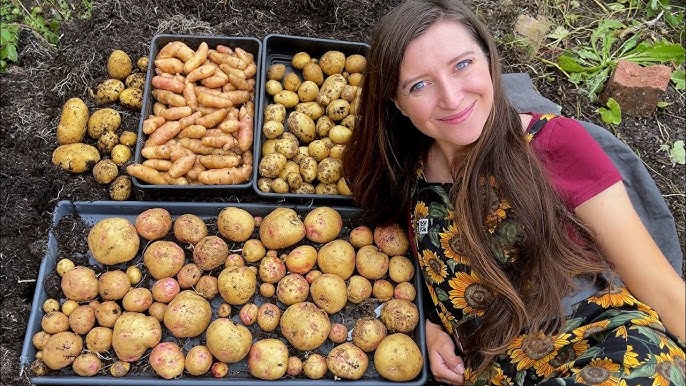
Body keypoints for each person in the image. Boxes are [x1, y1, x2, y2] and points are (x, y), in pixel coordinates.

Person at [342, 0, 686, 384]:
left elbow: (665, 291)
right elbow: (406, 267)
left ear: (489, 60)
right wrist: (423, 328)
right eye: (419, 85)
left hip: (608, 355)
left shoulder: (555, 145)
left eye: (462, 64)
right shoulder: (407, 167)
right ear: (397, 103)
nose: (452, 98)